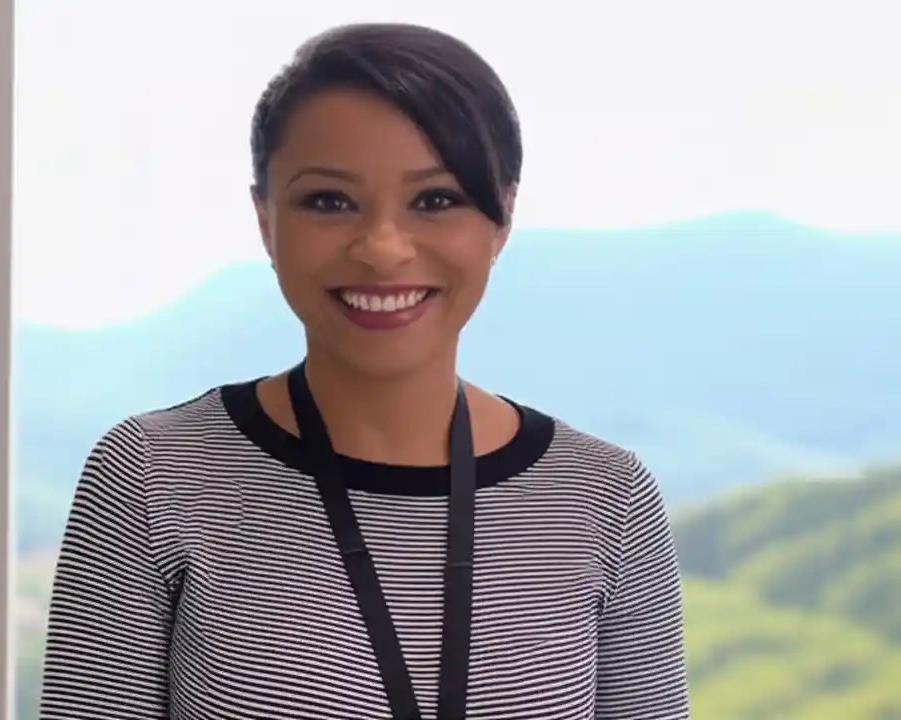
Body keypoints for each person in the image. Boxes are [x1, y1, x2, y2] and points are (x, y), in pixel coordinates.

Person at [38, 21, 689, 720]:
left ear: (501, 217)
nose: (382, 249)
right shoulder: (152, 477)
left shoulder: (605, 500)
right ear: (265, 218)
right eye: (329, 201)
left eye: (435, 200)